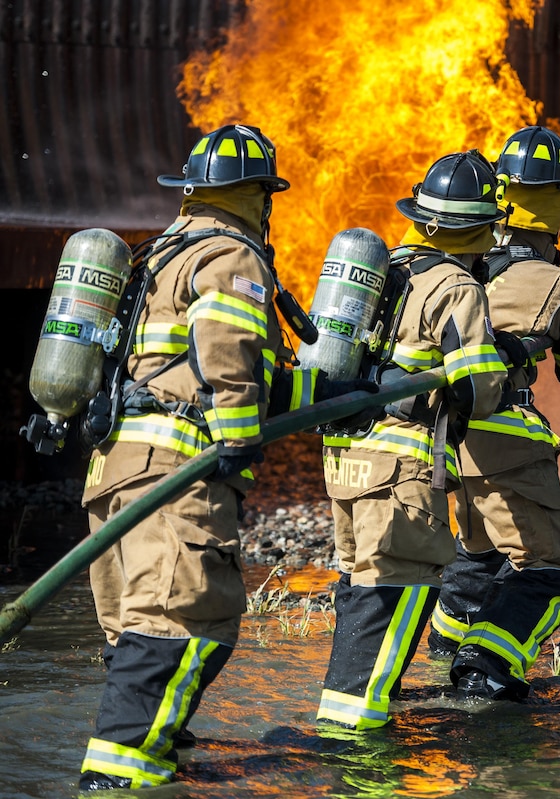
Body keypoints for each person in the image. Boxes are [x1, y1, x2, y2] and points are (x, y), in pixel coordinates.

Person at [77, 124, 371, 792]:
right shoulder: (230, 255)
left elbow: (177, 368)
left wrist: (324, 389)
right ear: (253, 194)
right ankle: (116, 777)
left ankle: (162, 759)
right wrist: (238, 446)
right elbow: (229, 354)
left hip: (114, 472)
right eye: (266, 192)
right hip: (175, 473)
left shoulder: (156, 255)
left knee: (135, 631)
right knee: (186, 624)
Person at [316, 150, 510, 730]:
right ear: (483, 229)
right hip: (400, 470)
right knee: (393, 597)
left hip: (346, 462)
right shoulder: (455, 288)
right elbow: (481, 391)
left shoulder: (386, 270)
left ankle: (349, 721)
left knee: (360, 592)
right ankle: (352, 750)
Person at [426, 126, 560, 701]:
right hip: (503, 445)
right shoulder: (554, 284)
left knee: (479, 554)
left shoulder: (457, 259)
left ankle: (444, 648)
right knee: (553, 560)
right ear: (556, 199)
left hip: (439, 445)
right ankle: (484, 669)